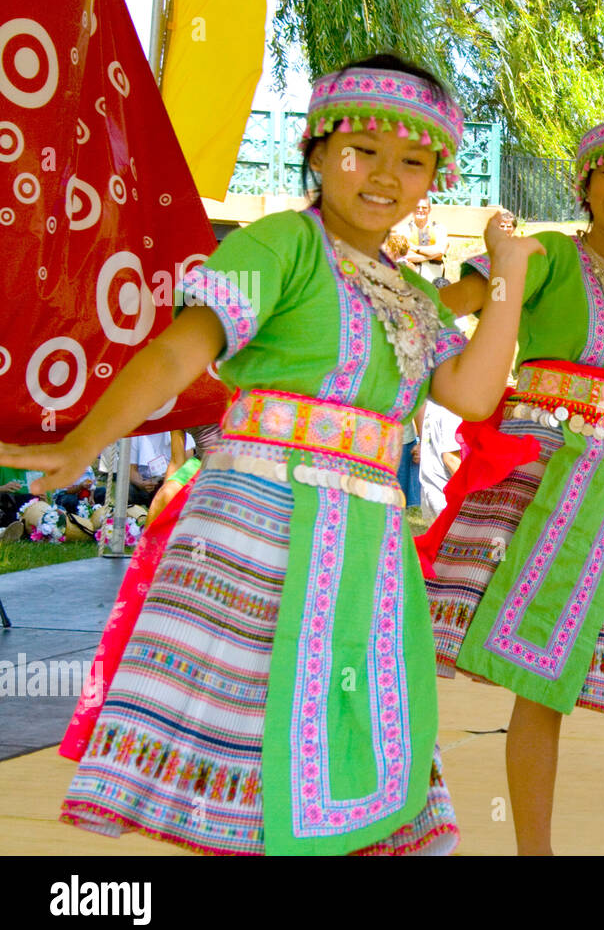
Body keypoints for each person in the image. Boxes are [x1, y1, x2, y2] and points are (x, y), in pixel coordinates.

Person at [0, 53, 540, 855]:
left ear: (436, 178)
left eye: (414, 160)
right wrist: (88, 440)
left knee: (340, 738)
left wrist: (509, 276)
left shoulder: (409, 294)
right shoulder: (282, 243)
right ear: (318, 153)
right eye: (361, 150)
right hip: (260, 530)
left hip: (364, 548)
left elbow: (471, 394)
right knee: (253, 755)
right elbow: (184, 349)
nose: (386, 175)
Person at [419, 118, 604, 855]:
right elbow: (459, 301)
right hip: (542, 475)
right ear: (584, 186)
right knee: (538, 686)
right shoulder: (546, 255)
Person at [418, 398, 463, 518]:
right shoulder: (453, 410)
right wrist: (473, 496)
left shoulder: (436, 403)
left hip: (432, 490)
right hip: (446, 496)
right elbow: (451, 458)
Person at [402, 196, 449, 284]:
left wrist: (415, 248)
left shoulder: (439, 228)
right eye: (417, 207)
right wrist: (431, 255)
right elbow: (405, 255)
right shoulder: (404, 230)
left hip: (434, 278)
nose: (421, 210)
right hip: (412, 277)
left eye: (424, 207)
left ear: (429, 210)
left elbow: (441, 250)